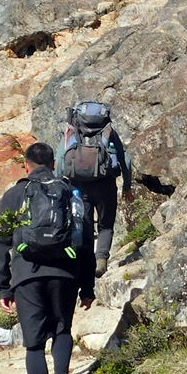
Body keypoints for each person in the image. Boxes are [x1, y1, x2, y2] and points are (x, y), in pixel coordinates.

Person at [0, 142, 94, 374]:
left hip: (26, 275)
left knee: (34, 345)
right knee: (62, 331)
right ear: (54, 163)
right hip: (65, 272)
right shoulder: (69, 192)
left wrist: (3, 288)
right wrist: (87, 286)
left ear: (26, 166)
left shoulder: (13, 195)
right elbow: (84, 238)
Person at [58, 101, 133, 277]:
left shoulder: (72, 131)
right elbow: (126, 161)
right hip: (105, 184)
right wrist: (127, 187)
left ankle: (86, 263)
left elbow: (61, 159)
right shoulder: (108, 131)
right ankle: (101, 260)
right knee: (106, 225)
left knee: (84, 225)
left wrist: (59, 188)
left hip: (78, 185)